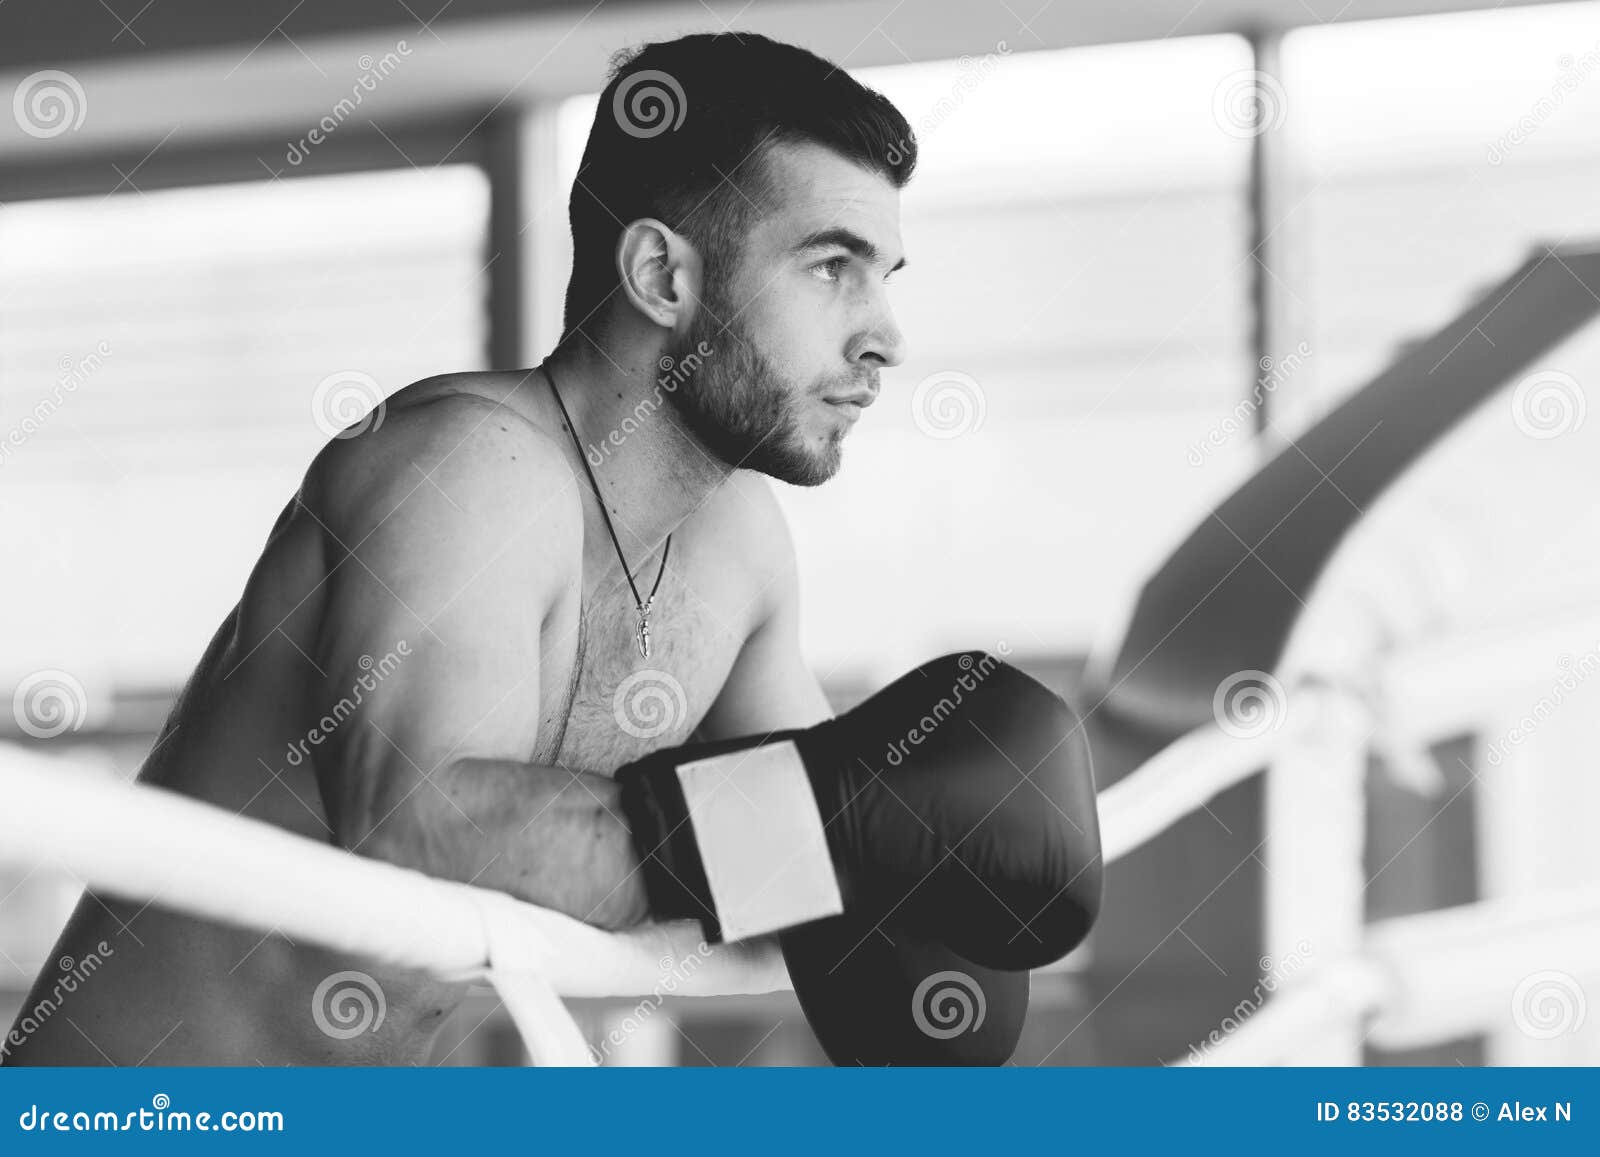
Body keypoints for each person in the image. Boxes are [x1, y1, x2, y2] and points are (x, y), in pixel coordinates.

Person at [7, 32, 1099, 1067]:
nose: (885, 336)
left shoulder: (737, 553)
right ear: (665, 278)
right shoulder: (468, 466)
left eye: (886, 276)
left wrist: (875, 847)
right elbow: (415, 825)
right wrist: (832, 821)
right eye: (830, 266)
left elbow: (877, 953)